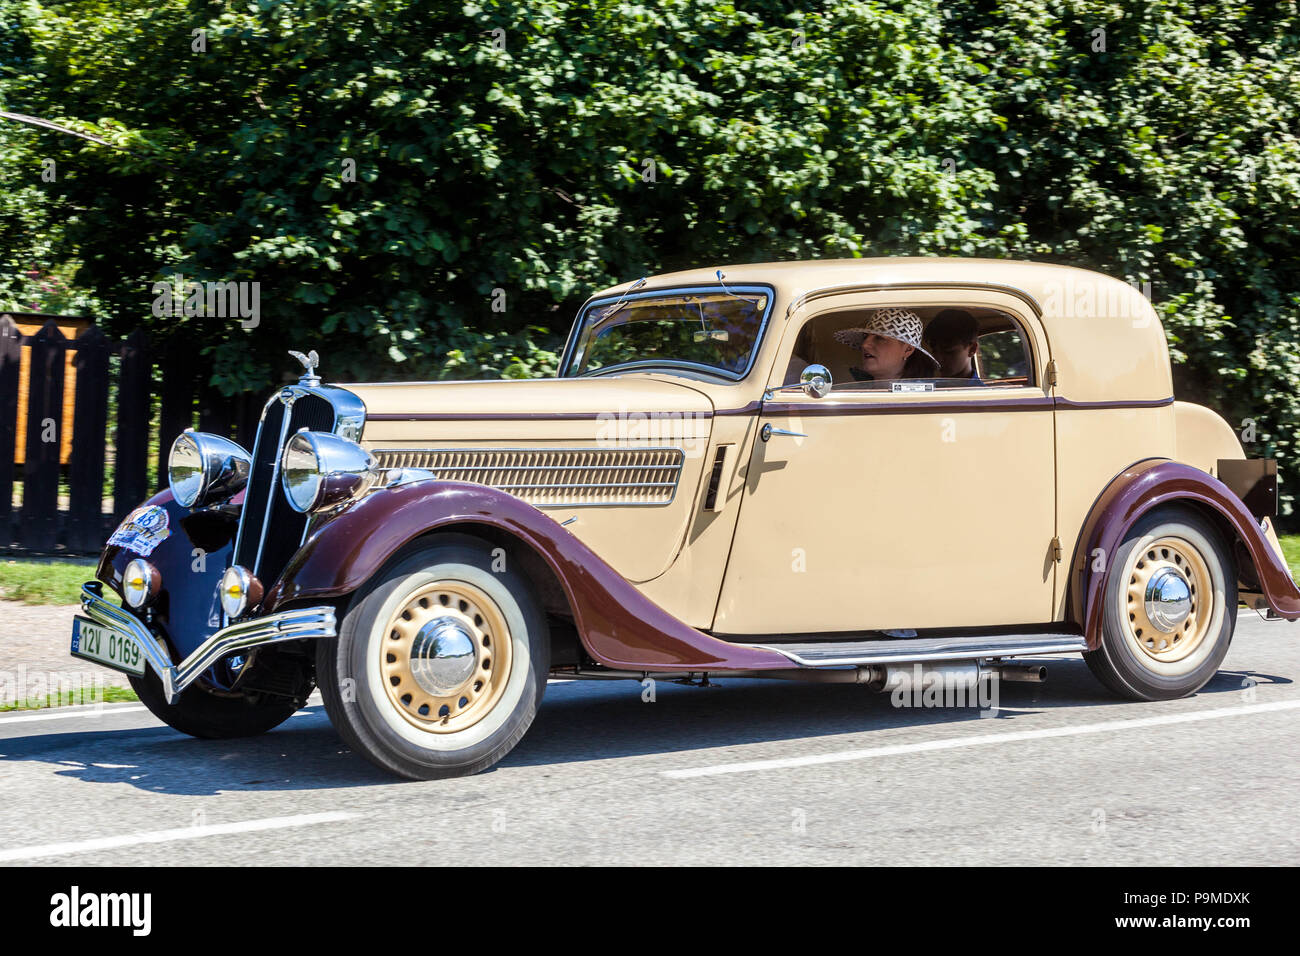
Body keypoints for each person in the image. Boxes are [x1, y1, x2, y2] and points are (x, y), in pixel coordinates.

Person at [833, 307, 938, 383]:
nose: (865, 345)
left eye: (879, 338)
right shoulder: (854, 392)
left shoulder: (921, 398)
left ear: (908, 350)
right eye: (865, 336)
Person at [923, 308, 982, 383]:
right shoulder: (927, 388)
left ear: (972, 349)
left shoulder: (983, 393)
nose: (938, 359)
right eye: (934, 351)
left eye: (948, 352)